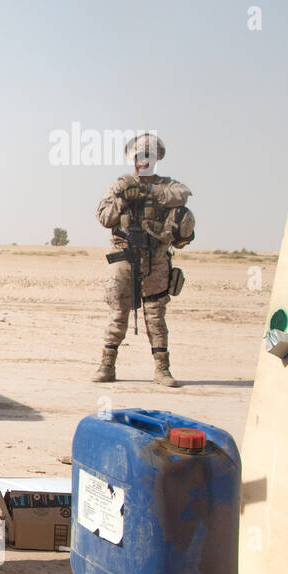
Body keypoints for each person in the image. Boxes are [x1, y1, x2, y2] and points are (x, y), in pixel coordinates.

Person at [92, 133, 194, 386]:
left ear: (156, 159)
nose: (142, 162)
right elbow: (104, 218)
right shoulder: (120, 186)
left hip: (156, 260)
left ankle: (162, 370)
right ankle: (107, 365)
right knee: (118, 313)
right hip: (125, 258)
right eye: (139, 157)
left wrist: (148, 190)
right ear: (133, 159)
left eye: (148, 157)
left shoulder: (168, 187)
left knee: (156, 315)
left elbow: (183, 194)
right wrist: (124, 198)